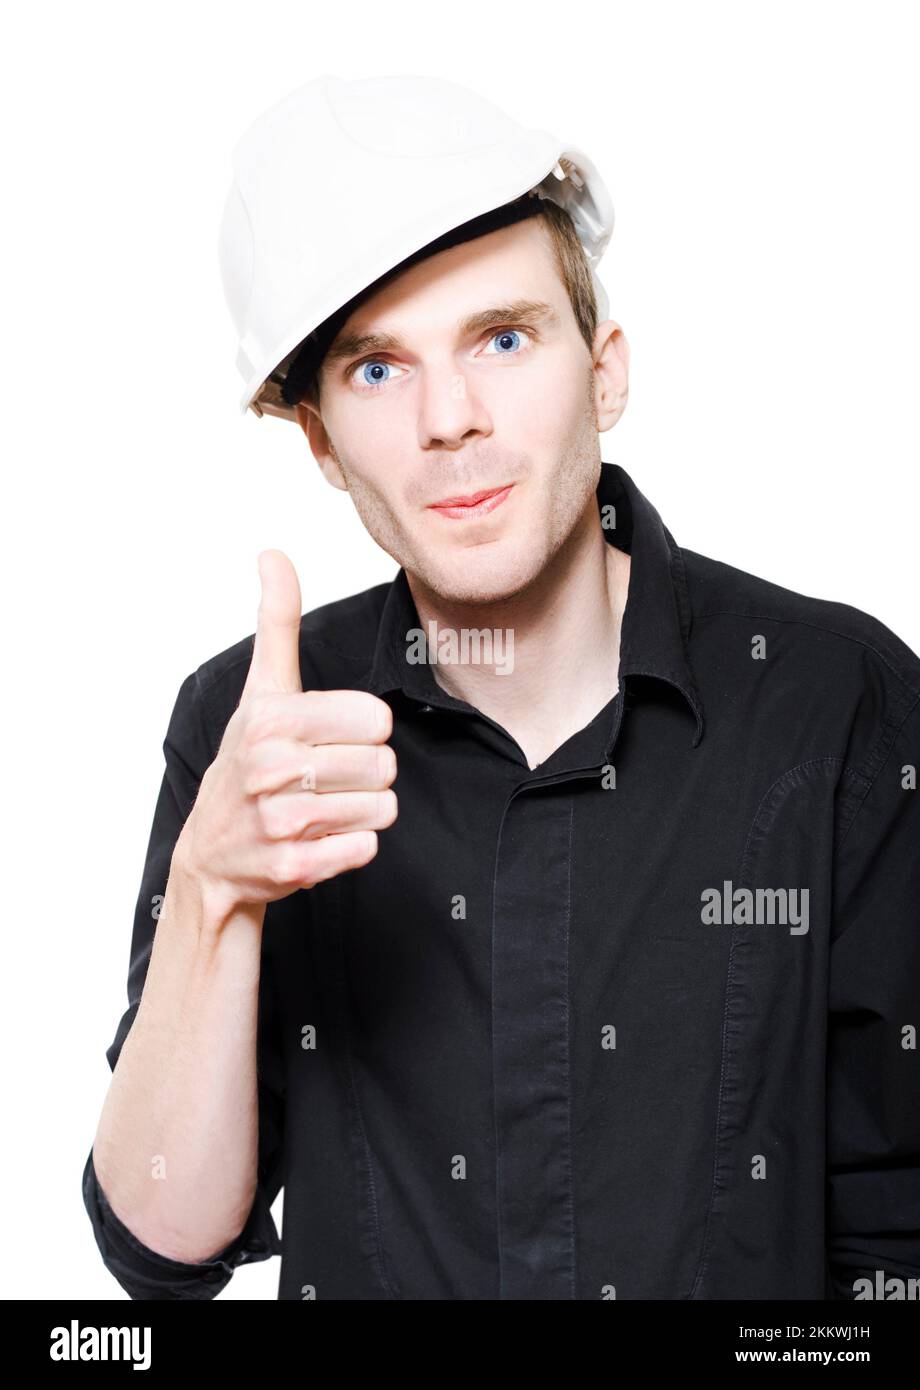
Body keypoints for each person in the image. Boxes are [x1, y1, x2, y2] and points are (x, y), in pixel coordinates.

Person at [82, 74, 920, 1301]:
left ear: (605, 370)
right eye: (377, 370)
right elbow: (162, 1244)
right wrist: (215, 892)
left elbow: (896, 1234)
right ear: (321, 441)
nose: (449, 419)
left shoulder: (836, 705)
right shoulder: (252, 730)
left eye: (503, 338)